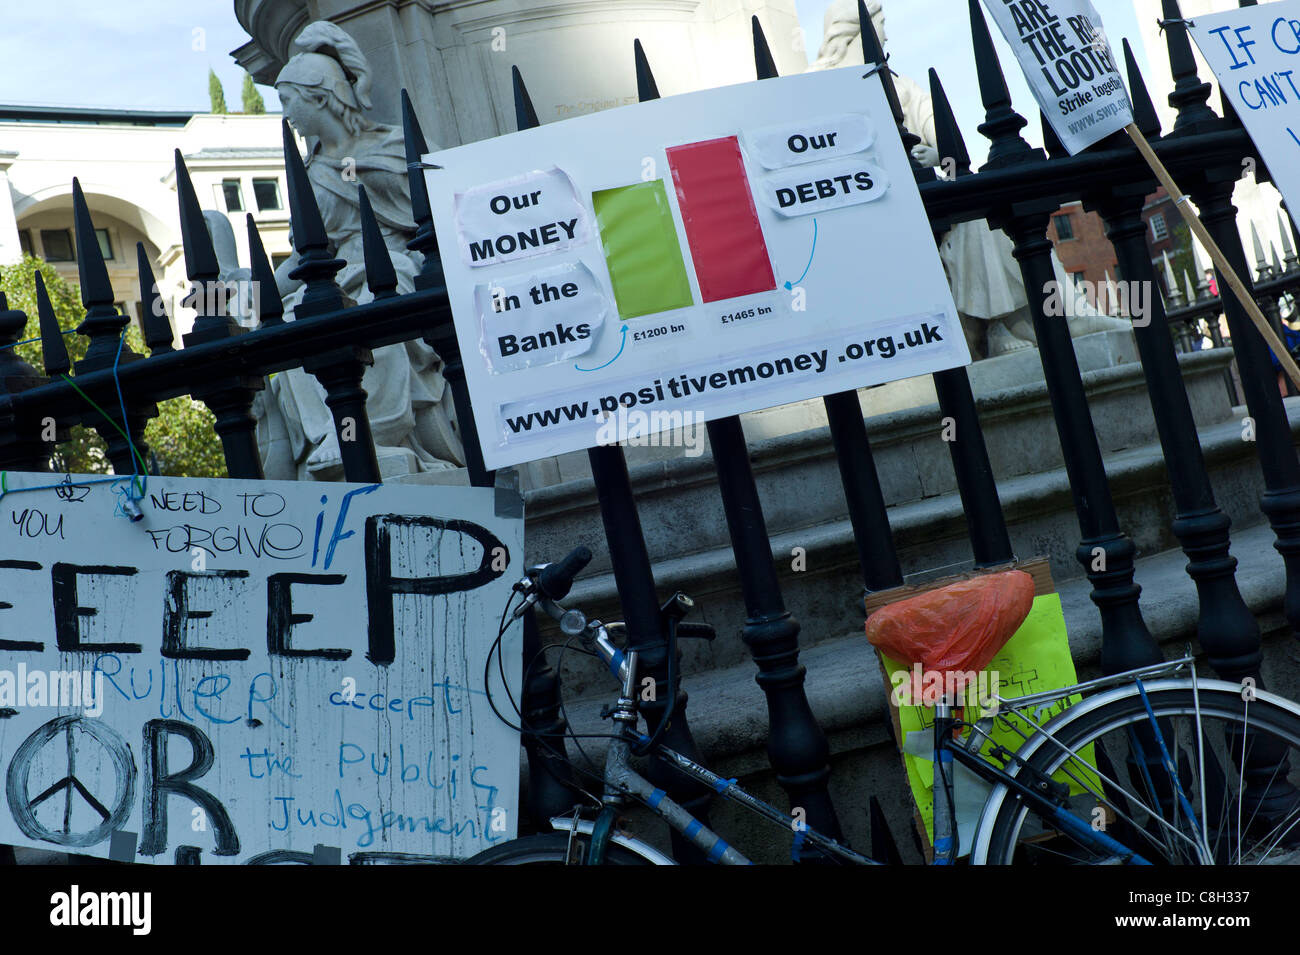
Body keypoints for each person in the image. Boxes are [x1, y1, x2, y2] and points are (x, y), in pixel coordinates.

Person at [253, 21, 464, 480]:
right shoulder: (310, 174)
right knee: (292, 323)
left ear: (320, 96)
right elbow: (308, 257)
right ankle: (332, 429)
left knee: (374, 305)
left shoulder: (390, 144)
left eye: (288, 99)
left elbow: (459, 194)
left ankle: (373, 429)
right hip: (334, 277)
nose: (284, 113)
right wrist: (258, 297)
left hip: (401, 264)